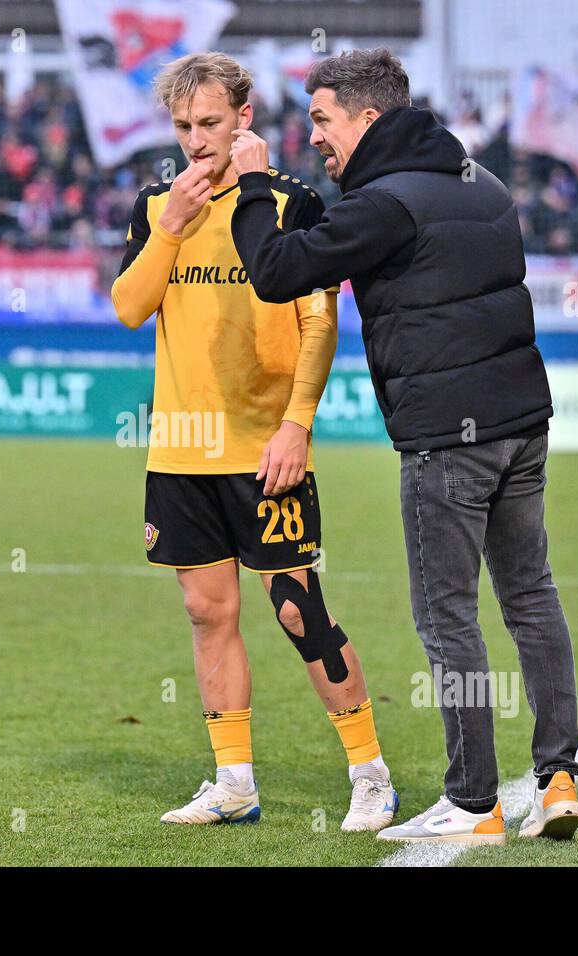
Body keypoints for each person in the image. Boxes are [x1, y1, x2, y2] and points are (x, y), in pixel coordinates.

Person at [229, 48, 578, 845]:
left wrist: (254, 187)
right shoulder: (479, 182)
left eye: (322, 119)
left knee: (446, 613)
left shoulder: (387, 203)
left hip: (445, 436)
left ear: (368, 118)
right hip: (523, 425)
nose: (314, 136)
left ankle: (472, 799)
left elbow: (277, 272)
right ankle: (556, 776)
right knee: (530, 595)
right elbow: (382, 245)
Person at [110, 53, 398, 833]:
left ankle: (369, 774)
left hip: (264, 446)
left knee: (300, 610)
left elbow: (318, 319)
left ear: (243, 117)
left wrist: (297, 425)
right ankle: (232, 780)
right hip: (180, 450)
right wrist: (168, 226)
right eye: (183, 127)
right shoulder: (155, 205)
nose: (196, 140)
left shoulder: (290, 202)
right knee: (208, 614)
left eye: (210, 123)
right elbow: (130, 307)